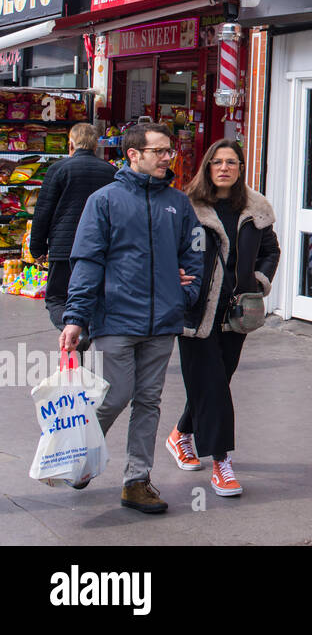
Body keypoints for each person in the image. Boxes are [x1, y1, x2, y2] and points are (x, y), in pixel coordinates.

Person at [58, 122, 204, 514]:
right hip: (116, 320)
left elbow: (195, 253)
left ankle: (137, 481)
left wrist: (184, 293)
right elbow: (87, 261)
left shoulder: (178, 203)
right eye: (158, 151)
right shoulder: (104, 201)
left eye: (169, 151)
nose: (167, 158)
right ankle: (81, 458)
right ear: (133, 154)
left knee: (149, 402)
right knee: (113, 395)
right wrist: (76, 317)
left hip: (163, 323)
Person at [165, 139, 279, 498]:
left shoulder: (255, 209)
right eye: (218, 162)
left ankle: (181, 433)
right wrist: (176, 275)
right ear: (207, 167)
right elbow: (166, 247)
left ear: (241, 168)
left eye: (232, 162)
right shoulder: (187, 206)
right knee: (212, 385)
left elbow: (270, 251)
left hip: (237, 313)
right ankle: (221, 464)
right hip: (196, 312)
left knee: (217, 380)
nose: (225, 168)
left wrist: (258, 282)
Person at [29, 123, 118, 347]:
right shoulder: (110, 171)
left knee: (57, 298)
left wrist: (37, 248)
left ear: (71, 143)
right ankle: (83, 328)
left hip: (63, 246)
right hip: (98, 248)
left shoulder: (58, 170)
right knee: (93, 295)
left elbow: (43, 211)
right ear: (96, 143)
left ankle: (74, 330)